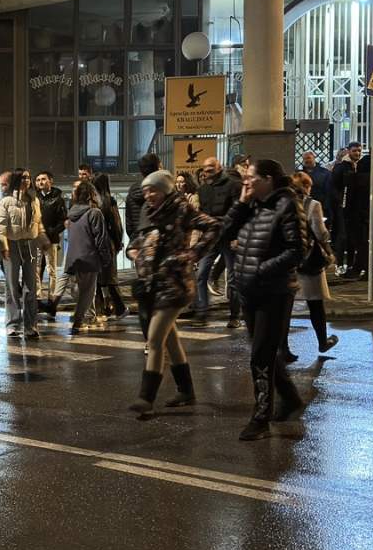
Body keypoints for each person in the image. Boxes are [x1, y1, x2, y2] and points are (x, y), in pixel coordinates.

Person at [222, 160, 307, 441]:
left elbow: (297, 250)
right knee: (265, 353)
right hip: (250, 290)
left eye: (251, 177)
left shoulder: (287, 204)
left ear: (268, 179)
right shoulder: (252, 204)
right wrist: (242, 204)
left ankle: (261, 418)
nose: (245, 182)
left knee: (260, 354)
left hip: (274, 291)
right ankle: (291, 399)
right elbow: (224, 234)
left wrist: (260, 270)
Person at [126, 170, 220, 412]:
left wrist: (192, 254)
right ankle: (186, 391)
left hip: (175, 284)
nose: (148, 195)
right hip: (152, 285)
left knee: (155, 338)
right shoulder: (149, 212)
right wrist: (134, 252)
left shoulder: (181, 208)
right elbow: (139, 241)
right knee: (170, 339)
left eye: (152, 190)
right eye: (145, 191)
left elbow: (213, 226)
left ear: (165, 190)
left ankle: (146, 397)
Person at [190, 156, 242, 326]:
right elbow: (202, 214)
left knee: (233, 278)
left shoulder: (233, 185)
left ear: (219, 167)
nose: (207, 171)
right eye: (205, 169)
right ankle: (202, 313)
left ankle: (235, 315)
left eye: (211, 168)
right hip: (211, 237)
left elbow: (237, 212)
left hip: (228, 236)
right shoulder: (203, 189)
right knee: (201, 274)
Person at [291, 171, 339, 355]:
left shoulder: (283, 203)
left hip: (289, 259)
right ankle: (322, 341)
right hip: (309, 258)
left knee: (286, 304)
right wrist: (328, 252)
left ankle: (283, 347)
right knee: (316, 304)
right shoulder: (313, 205)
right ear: (306, 186)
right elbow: (320, 232)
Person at [0, 169, 42, 340]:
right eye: (23, 177)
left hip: (30, 245)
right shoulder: (6, 201)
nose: (27, 180)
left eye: (29, 177)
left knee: (31, 287)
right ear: (16, 180)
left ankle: (31, 325)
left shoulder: (34, 200)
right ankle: (12, 324)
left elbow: (38, 223)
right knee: (12, 286)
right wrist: (4, 246)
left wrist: (43, 241)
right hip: (12, 245)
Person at [63, 180, 110, 335]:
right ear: (91, 195)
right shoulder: (94, 213)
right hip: (89, 257)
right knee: (88, 293)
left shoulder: (72, 214)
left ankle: (80, 319)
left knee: (81, 291)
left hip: (73, 257)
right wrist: (105, 258)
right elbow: (101, 238)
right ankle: (78, 322)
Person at [333, 143, 372, 278]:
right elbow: (337, 187)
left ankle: (357, 266)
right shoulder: (342, 167)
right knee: (346, 237)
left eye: (359, 151)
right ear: (348, 151)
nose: (357, 153)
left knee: (360, 240)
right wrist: (341, 203)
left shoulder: (362, 166)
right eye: (355, 151)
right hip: (347, 208)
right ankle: (347, 265)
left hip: (361, 209)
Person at [93, 173, 128, 320]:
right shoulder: (109, 201)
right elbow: (116, 226)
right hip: (108, 243)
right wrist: (118, 242)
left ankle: (104, 310)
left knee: (99, 279)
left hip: (95, 243)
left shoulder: (94, 202)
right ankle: (117, 308)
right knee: (110, 278)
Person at [34, 170, 67, 301]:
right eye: (38, 180)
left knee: (51, 270)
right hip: (36, 239)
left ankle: (51, 298)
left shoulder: (58, 199)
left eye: (43, 179)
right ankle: (37, 297)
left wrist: (53, 231)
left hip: (51, 239)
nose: (40, 182)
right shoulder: (35, 198)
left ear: (50, 181)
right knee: (36, 269)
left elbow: (63, 221)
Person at [124, 152, 160, 241]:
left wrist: (135, 239)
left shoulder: (131, 193)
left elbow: (129, 225)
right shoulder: (161, 191)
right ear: (157, 168)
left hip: (138, 242)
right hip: (158, 242)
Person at [300, 151, 333, 232]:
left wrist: (326, 207)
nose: (306, 160)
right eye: (304, 159)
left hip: (321, 207)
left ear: (314, 158)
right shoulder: (299, 174)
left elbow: (329, 191)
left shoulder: (325, 173)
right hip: (304, 208)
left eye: (308, 158)